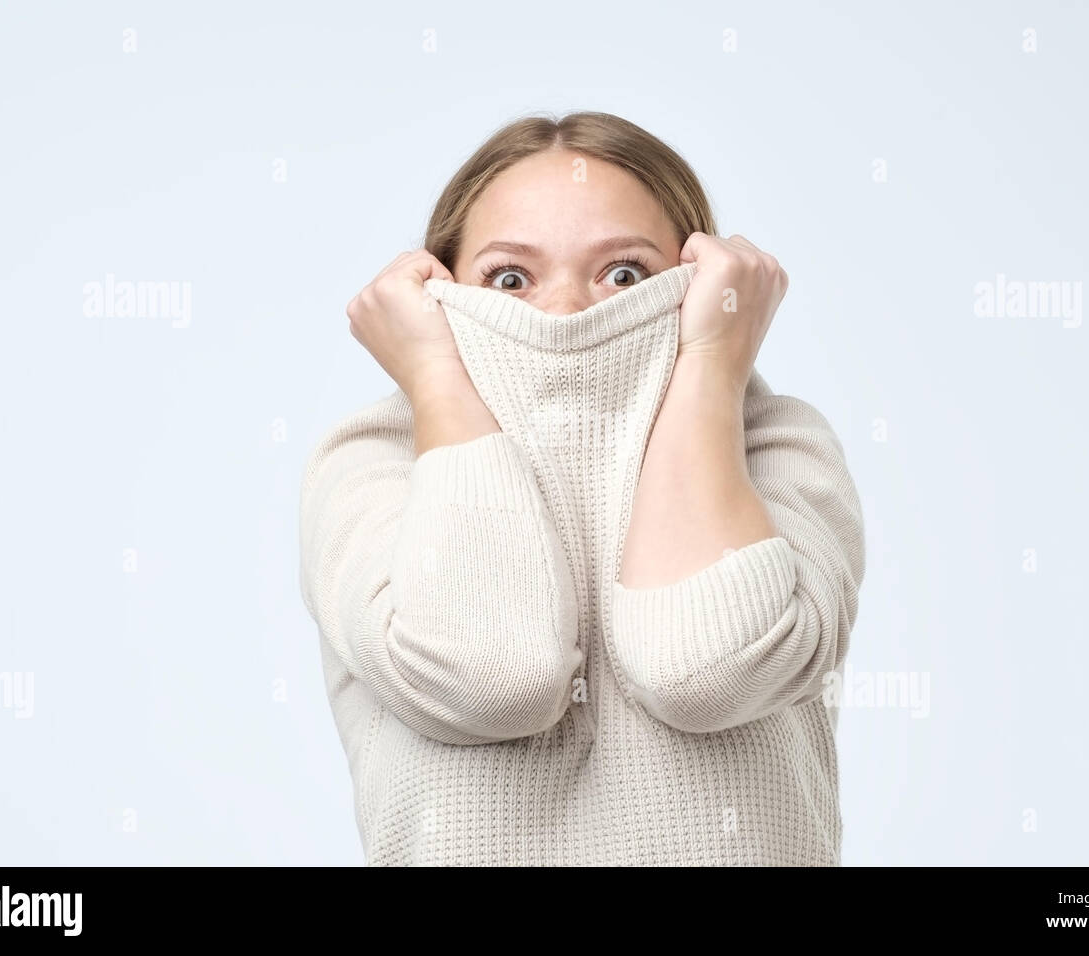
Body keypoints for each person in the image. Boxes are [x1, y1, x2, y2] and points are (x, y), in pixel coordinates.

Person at [299, 110, 866, 865]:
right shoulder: (371, 461)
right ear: (434, 290)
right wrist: (438, 379)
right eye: (509, 278)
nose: (566, 311)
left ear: (698, 282)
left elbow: (706, 672)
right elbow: (494, 680)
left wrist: (710, 367)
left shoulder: (779, 447)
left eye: (624, 274)